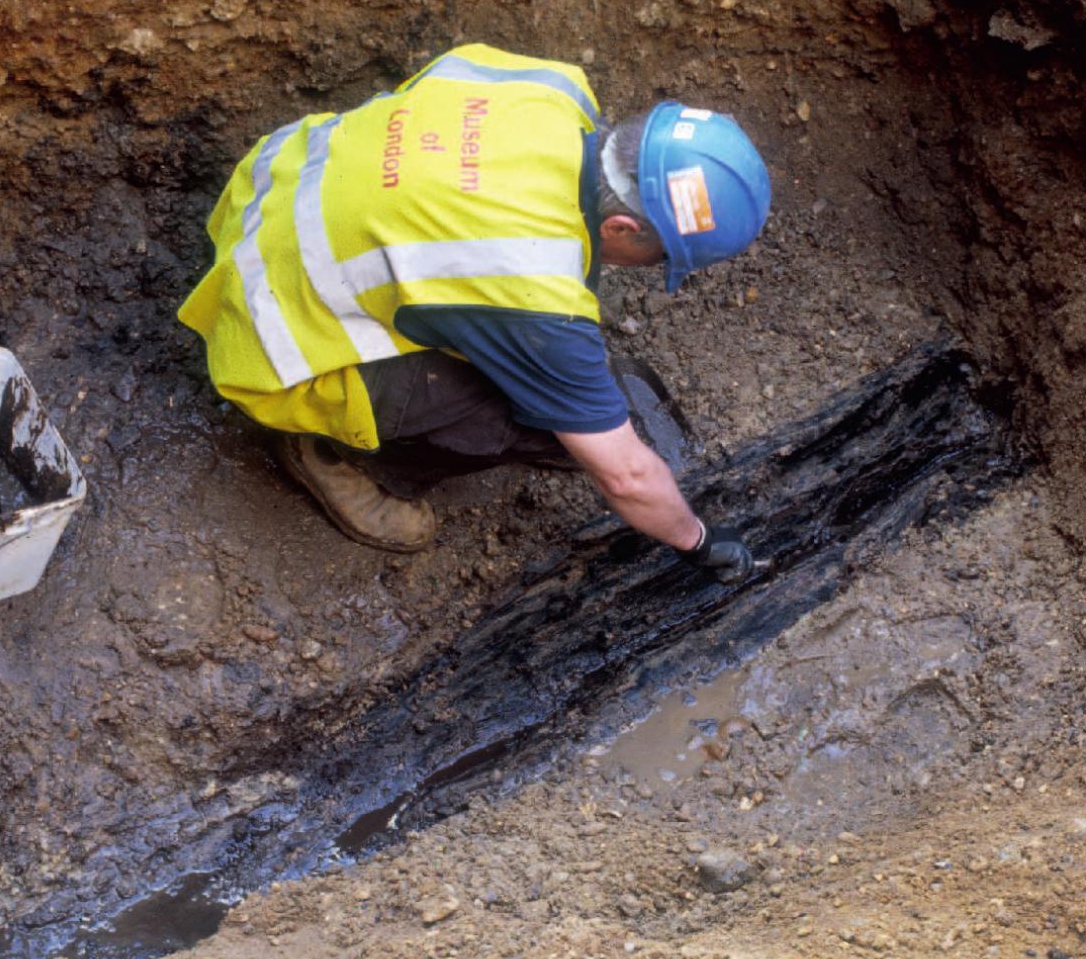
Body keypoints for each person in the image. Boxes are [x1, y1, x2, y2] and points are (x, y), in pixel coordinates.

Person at [178, 44, 770, 583]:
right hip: (272, 341)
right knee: (551, 427)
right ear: (621, 227)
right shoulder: (535, 295)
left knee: (537, 358)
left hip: (269, 191)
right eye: (657, 257)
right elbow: (626, 477)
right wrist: (697, 541)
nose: (649, 270)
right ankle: (337, 455)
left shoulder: (553, 87)